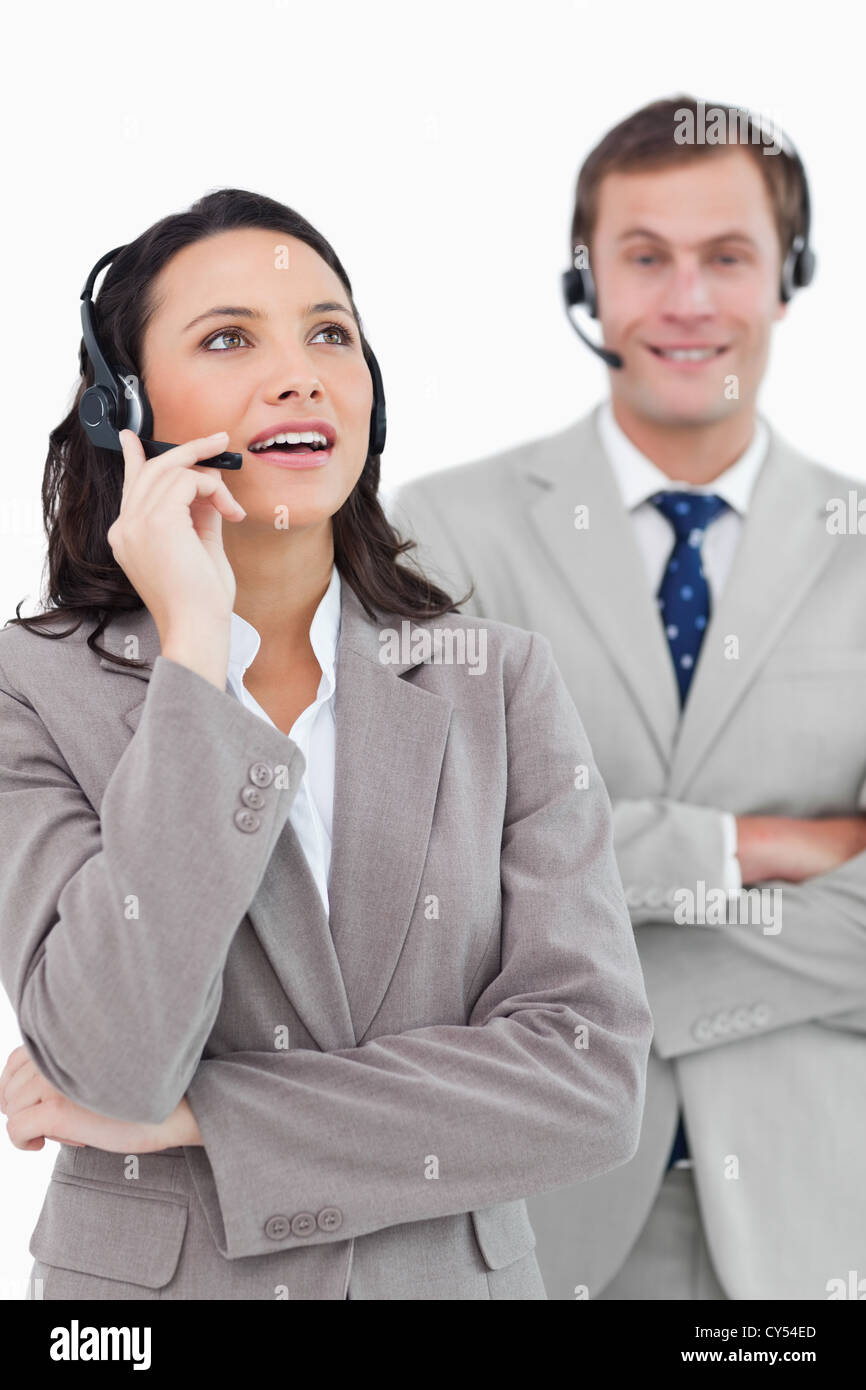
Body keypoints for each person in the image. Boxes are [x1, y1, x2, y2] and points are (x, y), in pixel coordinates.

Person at [0, 188, 652, 1301]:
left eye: (329, 334)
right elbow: (114, 1058)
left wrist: (209, 1113)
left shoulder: (501, 683)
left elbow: (587, 1086)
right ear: (125, 409)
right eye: (227, 337)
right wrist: (195, 653)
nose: (299, 371)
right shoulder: (32, 688)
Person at [391, 96, 866, 1300]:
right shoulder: (446, 533)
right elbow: (426, 875)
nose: (686, 301)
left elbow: (516, 894)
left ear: (786, 277)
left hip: (817, 1214)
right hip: (536, 1214)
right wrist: (747, 845)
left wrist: (571, 987)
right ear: (585, 282)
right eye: (643, 258)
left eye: (726, 258)